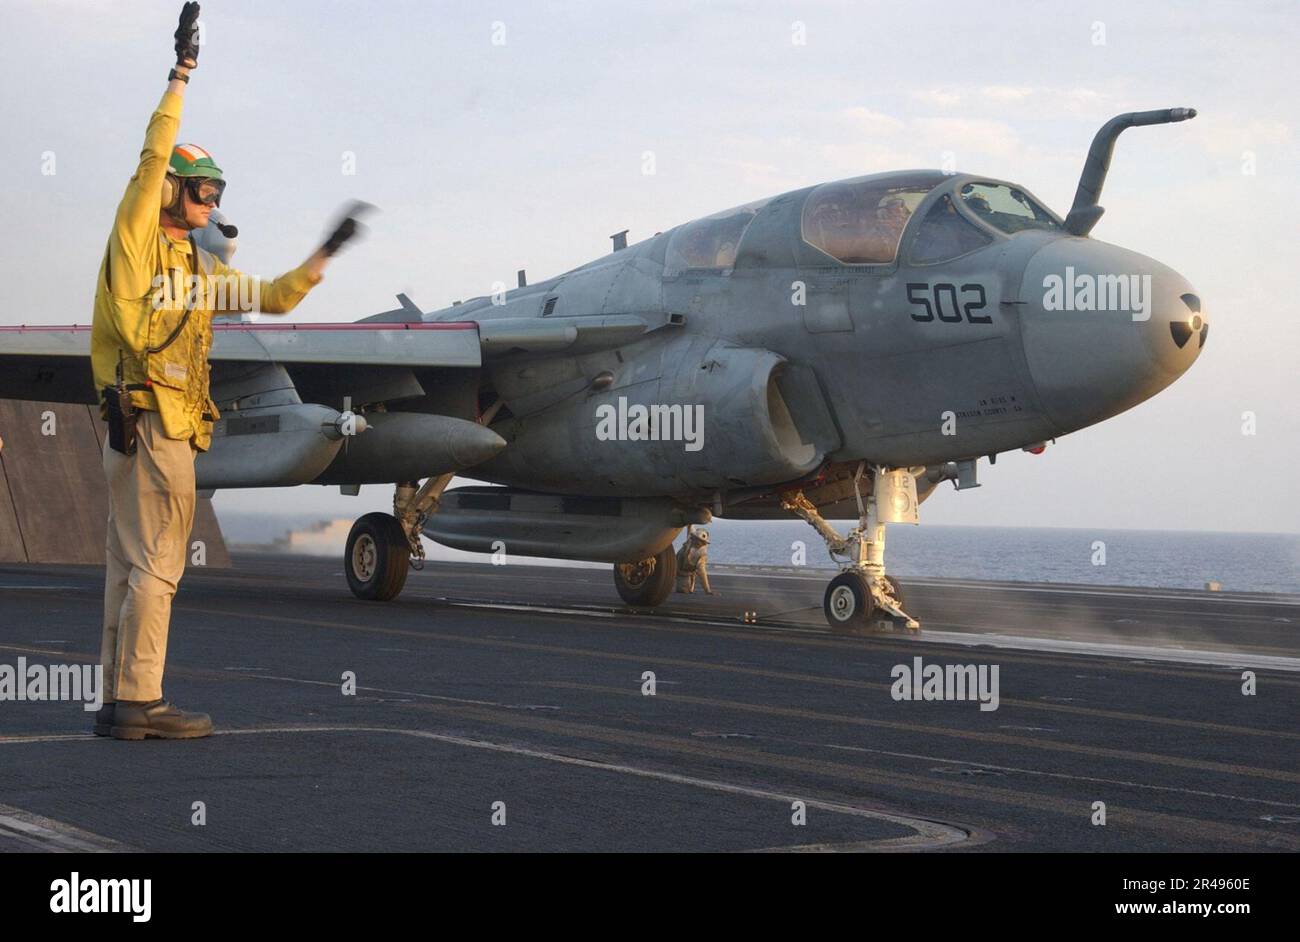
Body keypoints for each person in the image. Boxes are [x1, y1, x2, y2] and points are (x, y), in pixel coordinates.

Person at [90, 2, 365, 741]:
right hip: (154, 423)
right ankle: (140, 703)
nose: (211, 201)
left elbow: (270, 297)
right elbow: (152, 160)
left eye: (218, 192)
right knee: (158, 567)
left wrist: (323, 256)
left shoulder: (196, 269)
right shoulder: (139, 240)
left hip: (139, 428)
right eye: (201, 189)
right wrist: (180, 76)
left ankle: (117, 699)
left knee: (127, 565)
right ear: (173, 190)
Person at [675, 527, 716, 596]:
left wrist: (707, 590)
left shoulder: (701, 554)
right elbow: (690, 530)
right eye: (694, 539)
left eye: (698, 541)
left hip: (684, 572)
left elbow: (702, 572)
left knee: (683, 591)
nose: (695, 542)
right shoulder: (690, 541)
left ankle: (690, 586)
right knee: (681, 590)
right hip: (679, 570)